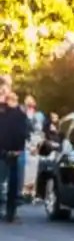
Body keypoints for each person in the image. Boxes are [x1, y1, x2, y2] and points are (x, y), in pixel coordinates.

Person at [0, 90, 31, 222]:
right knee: (13, 184)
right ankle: (10, 213)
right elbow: (24, 133)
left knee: (1, 181)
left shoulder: (2, 115)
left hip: (3, 152)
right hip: (16, 152)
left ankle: (5, 210)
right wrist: (19, 149)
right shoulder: (21, 115)